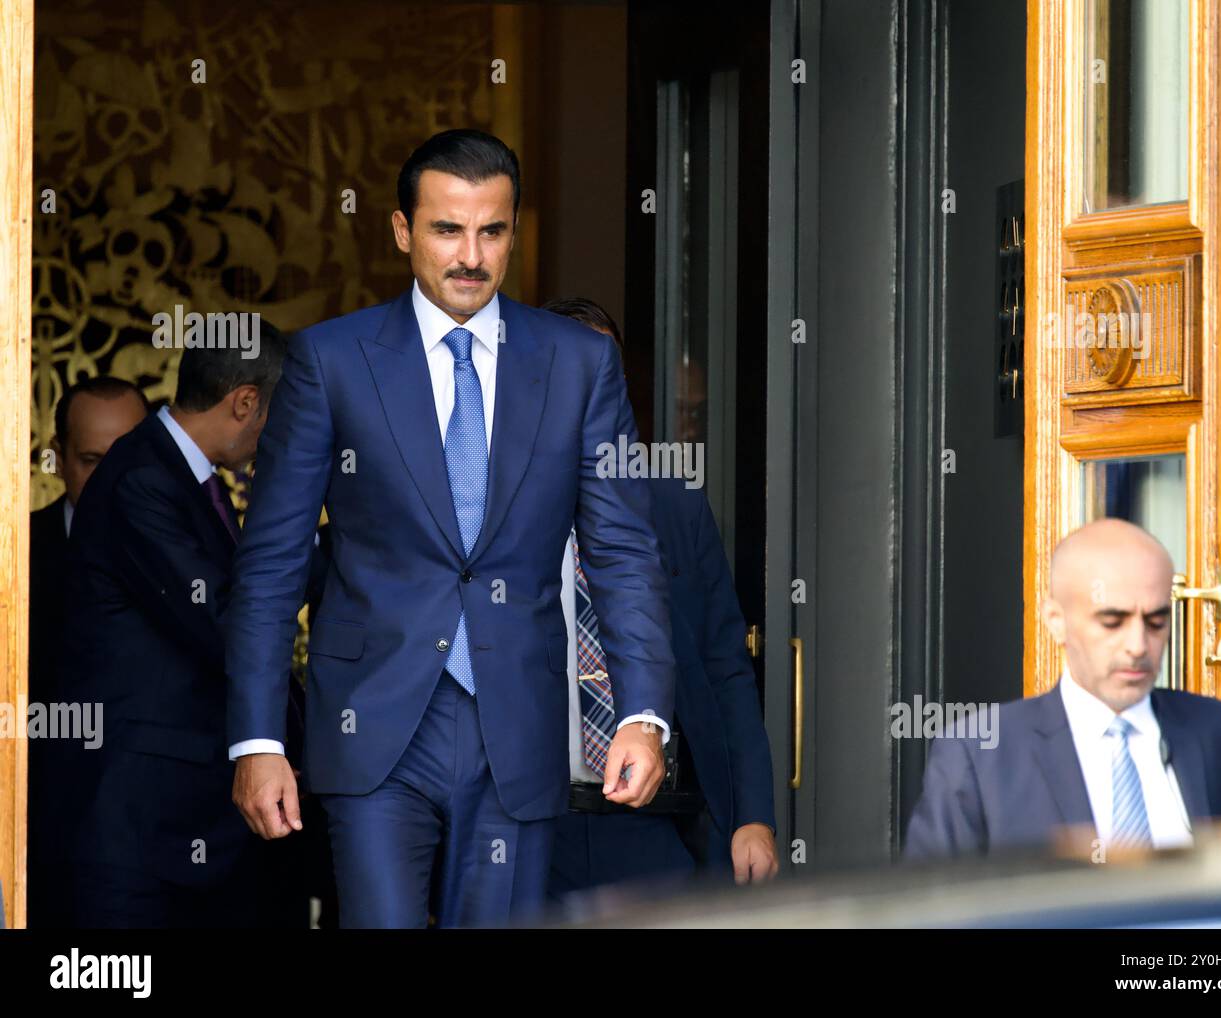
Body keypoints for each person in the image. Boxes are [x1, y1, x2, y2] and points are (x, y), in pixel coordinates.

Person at [222, 129, 675, 928]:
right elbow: (270, 566)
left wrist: (644, 712)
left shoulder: (578, 363)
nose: (471, 255)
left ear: (513, 233)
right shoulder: (331, 362)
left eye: (491, 231)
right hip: (373, 726)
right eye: (447, 229)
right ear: (403, 231)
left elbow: (623, 552)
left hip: (519, 727)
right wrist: (257, 741)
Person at [59, 325, 304, 926]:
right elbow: (224, 620)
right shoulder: (145, 478)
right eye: (284, 411)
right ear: (246, 402)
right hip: (139, 820)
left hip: (179, 817)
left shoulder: (176, 474)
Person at [541, 297, 777, 900]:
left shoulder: (675, 506)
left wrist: (754, 815)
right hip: (533, 831)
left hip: (663, 828)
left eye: (604, 374)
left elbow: (726, 670)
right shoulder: (492, 511)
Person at [904, 518, 1221, 860]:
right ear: (1056, 621)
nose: (1137, 644)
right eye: (1112, 621)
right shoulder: (981, 754)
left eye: (1156, 621)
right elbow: (930, 907)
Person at [27, 376, 147, 927]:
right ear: (57, 458)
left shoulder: (199, 553)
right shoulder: (15, 555)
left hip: (164, 841)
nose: (112, 479)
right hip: (37, 837)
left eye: (127, 456)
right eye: (92, 459)